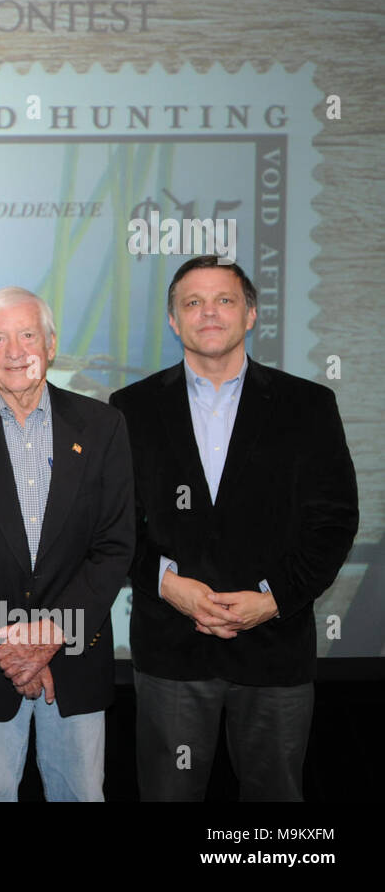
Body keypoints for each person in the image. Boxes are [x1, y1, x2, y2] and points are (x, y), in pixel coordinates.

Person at [109, 256, 357, 801]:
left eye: (224, 300)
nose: (209, 313)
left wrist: (272, 600)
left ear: (250, 314)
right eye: (192, 303)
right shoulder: (130, 409)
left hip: (275, 647)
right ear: (174, 321)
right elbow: (115, 521)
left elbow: (333, 522)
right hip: (173, 649)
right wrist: (168, 584)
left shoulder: (308, 406)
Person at [0, 286, 134, 801]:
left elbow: (115, 545)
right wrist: (11, 643)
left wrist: (51, 634)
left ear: (52, 344)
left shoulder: (103, 426)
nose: (15, 351)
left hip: (76, 661)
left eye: (27, 335)